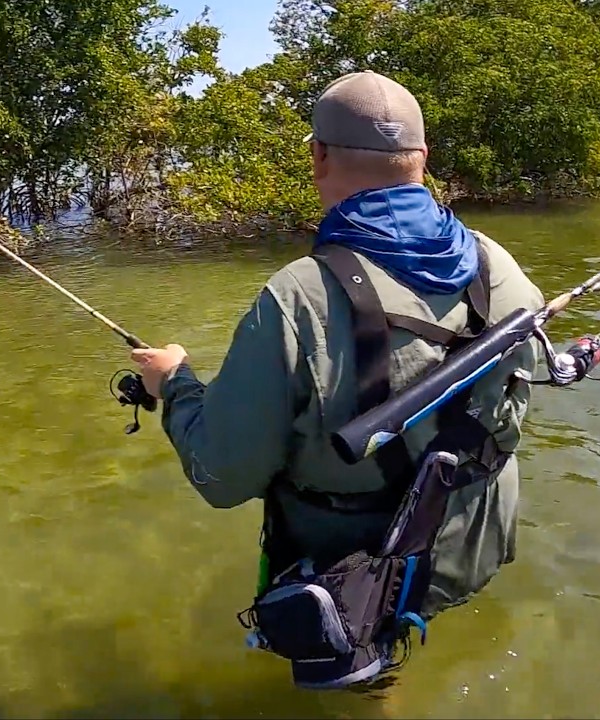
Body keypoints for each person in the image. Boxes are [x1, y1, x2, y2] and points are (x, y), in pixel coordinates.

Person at [130, 71, 545, 684]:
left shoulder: (297, 295)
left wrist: (176, 384)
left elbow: (222, 476)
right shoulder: (499, 262)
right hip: (470, 542)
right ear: (422, 158)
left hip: (352, 569)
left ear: (318, 156)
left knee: (359, 669)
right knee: (397, 645)